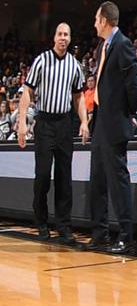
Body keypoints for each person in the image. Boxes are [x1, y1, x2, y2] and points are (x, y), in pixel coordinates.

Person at [17, 22, 88, 239]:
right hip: (45, 122)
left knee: (64, 177)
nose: (63, 38)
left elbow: (79, 96)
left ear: (70, 39)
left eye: (67, 34)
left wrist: (84, 121)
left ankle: (64, 226)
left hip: (65, 124)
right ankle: (41, 222)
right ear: (54, 37)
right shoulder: (42, 60)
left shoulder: (75, 65)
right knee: (43, 175)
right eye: (60, 34)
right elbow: (27, 91)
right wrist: (22, 122)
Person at [88, 2, 137, 253]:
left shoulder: (123, 44)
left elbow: (133, 85)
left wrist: (125, 114)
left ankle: (126, 235)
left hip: (115, 122)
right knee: (96, 179)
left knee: (118, 180)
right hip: (99, 122)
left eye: (97, 19)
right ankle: (100, 233)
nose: (94, 23)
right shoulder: (102, 46)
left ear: (106, 21)